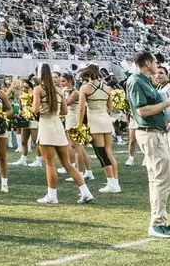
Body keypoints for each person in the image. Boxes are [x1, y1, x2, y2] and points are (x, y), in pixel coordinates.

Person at [125, 52, 170, 239]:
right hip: (149, 132)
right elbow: (142, 110)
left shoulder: (143, 80)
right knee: (162, 178)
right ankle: (157, 222)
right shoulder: (136, 81)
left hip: (155, 131)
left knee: (161, 178)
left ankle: (161, 220)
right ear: (147, 63)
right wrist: (167, 103)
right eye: (154, 62)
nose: (157, 65)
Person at [31, 62, 93, 206]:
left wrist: (38, 108)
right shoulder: (59, 90)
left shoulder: (38, 89)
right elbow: (64, 111)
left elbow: (34, 109)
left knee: (50, 164)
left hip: (46, 126)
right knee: (67, 164)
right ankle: (86, 192)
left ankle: (52, 196)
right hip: (58, 127)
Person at [75, 65, 122, 193]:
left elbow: (81, 109)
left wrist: (79, 125)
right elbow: (110, 108)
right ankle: (115, 182)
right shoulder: (107, 87)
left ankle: (111, 182)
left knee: (100, 152)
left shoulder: (85, 88)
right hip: (106, 120)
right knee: (109, 152)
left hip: (95, 121)